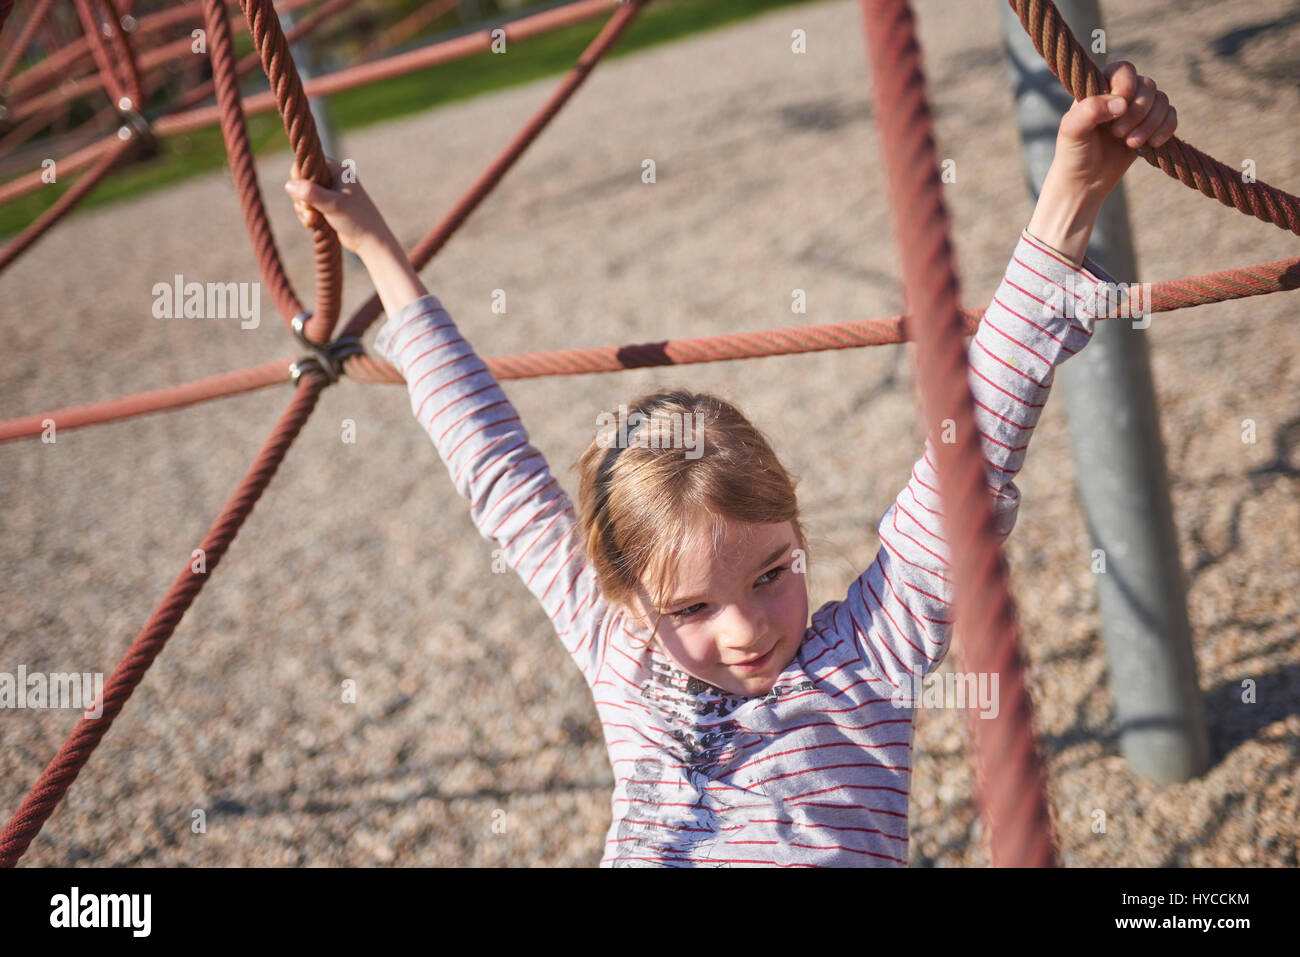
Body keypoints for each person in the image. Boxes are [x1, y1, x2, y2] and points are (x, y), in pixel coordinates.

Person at [283, 60, 1175, 866]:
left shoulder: (871, 650)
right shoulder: (618, 646)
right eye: (694, 606)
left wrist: (1068, 201)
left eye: (771, 572)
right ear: (628, 601)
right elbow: (493, 465)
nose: (746, 628)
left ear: (796, 531)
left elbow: (970, 454)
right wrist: (379, 256)